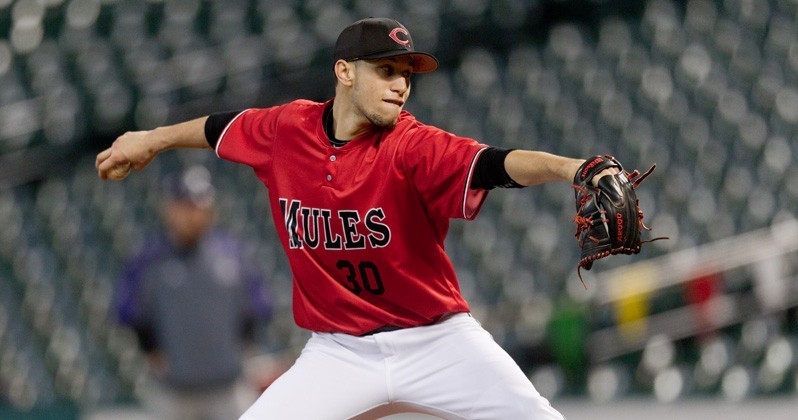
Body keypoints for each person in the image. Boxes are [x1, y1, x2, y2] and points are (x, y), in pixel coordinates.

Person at [97, 17, 618, 419]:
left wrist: (573, 169)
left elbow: (494, 163)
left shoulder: (412, 144)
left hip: (436, 339)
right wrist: (152, 139)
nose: (401, 85)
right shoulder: (285, 129)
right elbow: (218, 128)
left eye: (407, 74)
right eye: (386, 70)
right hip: (339, 351)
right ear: (344, 71)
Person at [113, 164, 273, 420]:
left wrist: (239, 348)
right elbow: (130, 313)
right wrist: (151, 348)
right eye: (185, 206)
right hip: (174, 393)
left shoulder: (234, 253)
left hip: (229, 389)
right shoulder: (149, 259)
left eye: (200, 206)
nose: (193, 215)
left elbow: (258, 308)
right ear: (169, 208)